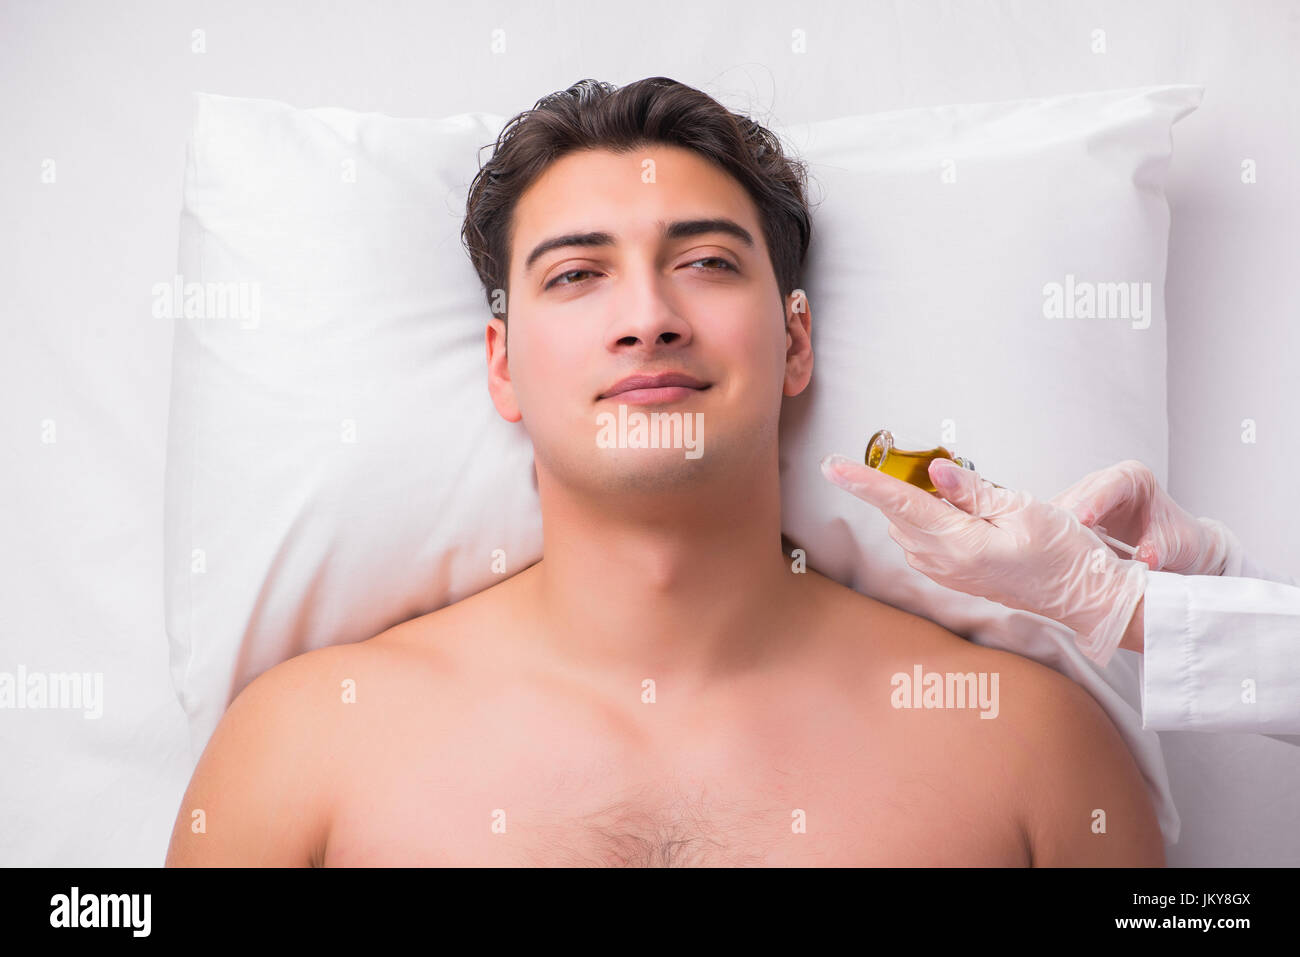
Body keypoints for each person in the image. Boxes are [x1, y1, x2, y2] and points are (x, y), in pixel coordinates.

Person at [164, 77, 1163, 867]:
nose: (647, 316)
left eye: (706, 262)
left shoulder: (1027, 749)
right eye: (575, 275)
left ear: (794, 343)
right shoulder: (301, 748)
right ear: (502, 365)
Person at [821, 455, 1300, 738]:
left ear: (795, 344)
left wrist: (1120, 604)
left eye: (740, 274)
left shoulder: (1034, 727)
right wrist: (1218, 575)